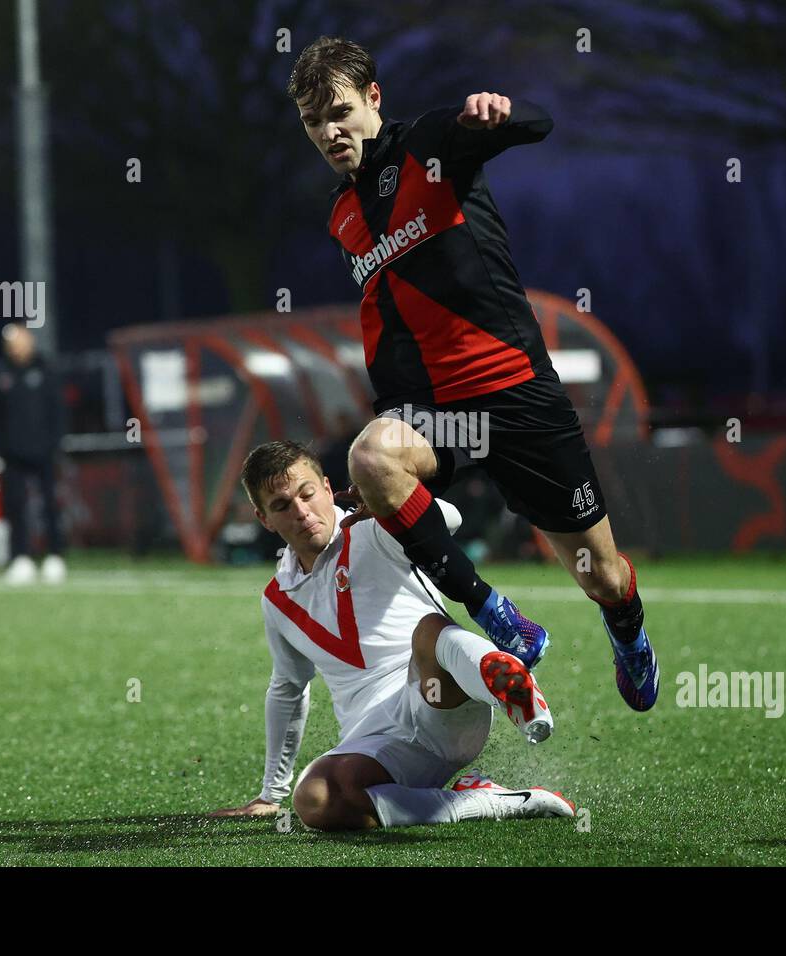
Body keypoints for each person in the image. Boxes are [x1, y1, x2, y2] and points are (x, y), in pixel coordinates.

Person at [287, 37, 658, 711]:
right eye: (313, 122)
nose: (328, 131)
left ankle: (627, 629)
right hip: (441, 414)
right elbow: (391, 325)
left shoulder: (429, 144)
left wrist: (501, 113)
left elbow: (537, 124)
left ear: (374, 98)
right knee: (369, 455)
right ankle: (493, 612)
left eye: (338, 112)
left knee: (601, 575)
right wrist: (390, 435)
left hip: (518, 396)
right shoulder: (343, 215)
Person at [208, 441, 572, 831]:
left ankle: (508, 685)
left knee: (429, 631)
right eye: (282, 506)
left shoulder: (374, 529)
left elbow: (449, 519)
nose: (301, 512)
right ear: (264, 518)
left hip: (440, 696)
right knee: (315, 801)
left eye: (307, 494)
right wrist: (270, 794)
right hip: (378, 743)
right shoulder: (277, 601)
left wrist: (393, 506)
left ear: (328, 489)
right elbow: (287, 689)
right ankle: (488, 799)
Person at [0, 324, 66, 584]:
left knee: (50, 505)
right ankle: (20, 557)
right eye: (12, 344)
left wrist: (55, 443)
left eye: (20, 342)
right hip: (13, 453)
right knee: (15, 506)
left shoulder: (46, 370)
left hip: (43, 451)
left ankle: (55, 556)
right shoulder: (1, 374)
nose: (16, 349)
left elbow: (57, 410)